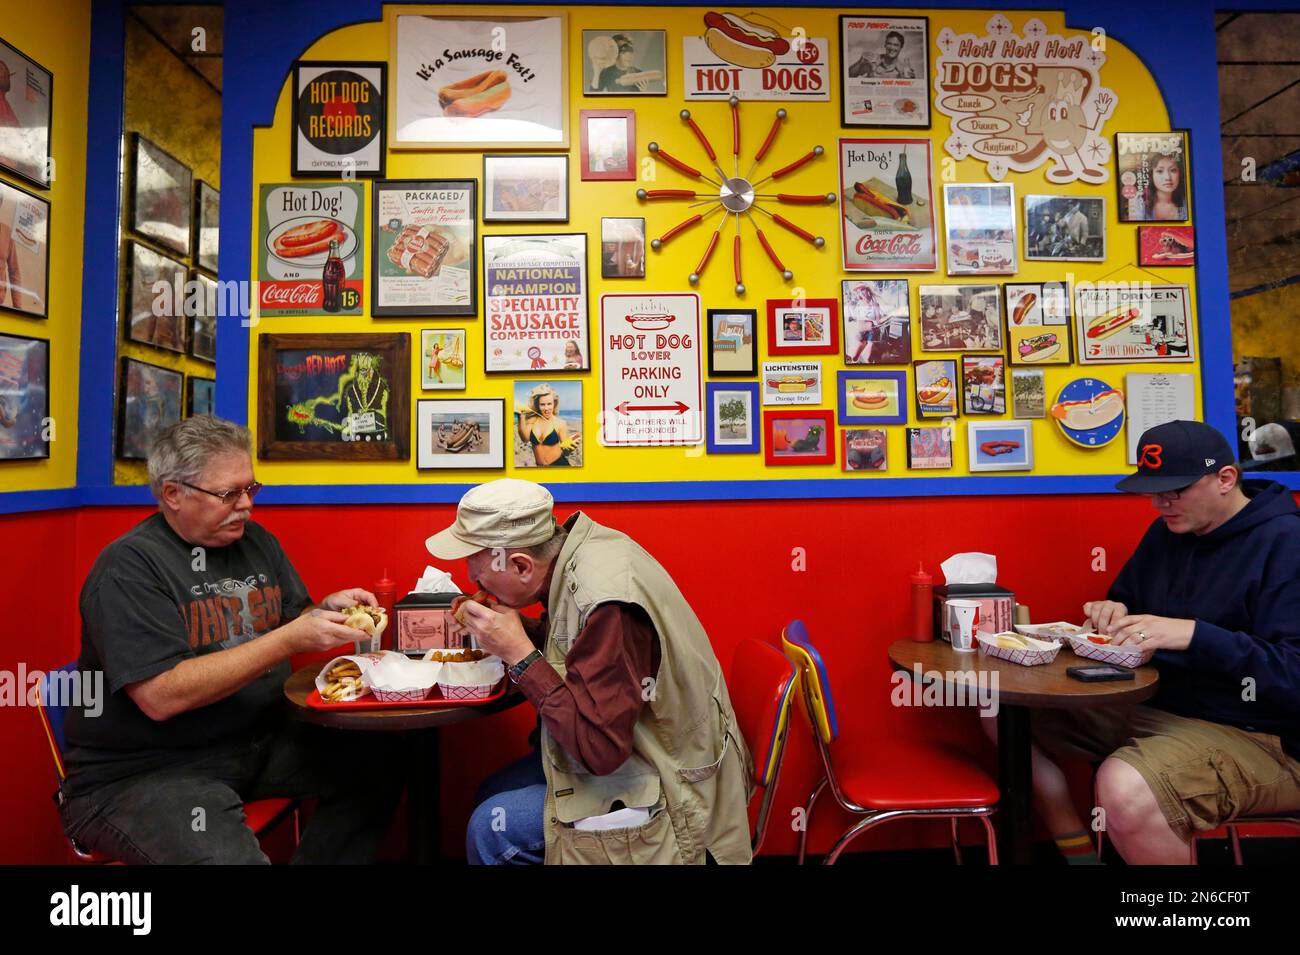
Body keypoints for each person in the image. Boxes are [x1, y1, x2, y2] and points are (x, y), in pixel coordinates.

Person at [60, 415, 403, 864]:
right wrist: (287, 639)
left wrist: (325, 612)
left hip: (254, 744)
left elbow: (292, 617)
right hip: (146, 773)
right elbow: (163, 695)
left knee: (385, 755)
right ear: (173, 494)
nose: (246, 506)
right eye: (228, 494)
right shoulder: (129, 569)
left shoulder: (253, 540)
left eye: (251, 489)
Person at [991, 421, 1300, 864]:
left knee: (1125, 787)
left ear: (1226, 479)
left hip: (1264, 738)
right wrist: (1111, 612)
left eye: (1174, 490)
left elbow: (1292, 673)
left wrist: (1194, 634)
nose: (1160, 503)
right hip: (1160, 708)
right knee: (1002, 711)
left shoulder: (1286, 542)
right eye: (1153, 490)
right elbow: (1132, 606)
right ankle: (1078, 850)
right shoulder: (1169, 532)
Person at [427, 479, 754, 864]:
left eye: (477, 569)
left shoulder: (605, 602)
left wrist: (519, 653)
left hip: (675, 796)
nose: (471, 580)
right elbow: (581, 651)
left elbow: (599, 750)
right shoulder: (580, 549)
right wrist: (521, 631)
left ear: (520, 565)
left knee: (489, 829)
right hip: (646, 755)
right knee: (493, 791)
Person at [516, 383, 579, 467]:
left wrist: (569, 449)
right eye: (542, 404)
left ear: (554, 404)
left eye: (549, 404)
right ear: (537, 405)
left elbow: (565, 452)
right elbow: (525, 439)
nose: (546, 408)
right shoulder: (532, 421)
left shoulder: (560, 423)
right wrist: (521, 416)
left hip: (559, 465)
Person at [1137, 152, 1187, 221]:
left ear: (1180, 173)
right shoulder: (1140, 202)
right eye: (1160, 171)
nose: (1168, 177)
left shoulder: (1186, 203)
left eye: (1173, 170)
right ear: (1151, 175)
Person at [848, 30, 916, 79]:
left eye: (896, 45)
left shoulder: (903, 69)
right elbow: (849, 75)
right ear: (885, 45)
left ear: (901, 47)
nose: (892, 48)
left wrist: (911, 82)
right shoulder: (873, 60)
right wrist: (860, 62)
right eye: (889, 44)